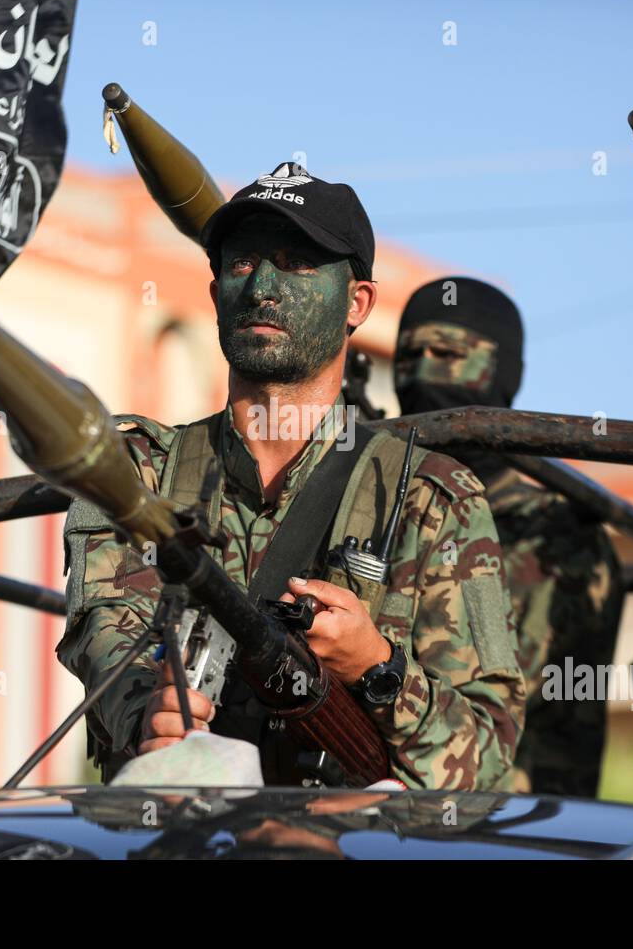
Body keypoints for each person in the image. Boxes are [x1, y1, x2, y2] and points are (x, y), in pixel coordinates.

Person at [57, 163, 525, 790]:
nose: (261, 289)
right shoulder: (137, 470)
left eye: (297, 264)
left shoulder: (432, 498)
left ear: (357, 303)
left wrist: (377, 668)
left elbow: (487, 754)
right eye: (242, 263)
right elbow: (106, 629)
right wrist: (148, 711)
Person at [394, 278, 623, 797]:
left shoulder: (554, 534)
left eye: (446, 352)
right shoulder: (387, 497)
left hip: (512, 811)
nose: (423, 369)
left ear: (497, 370)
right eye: (409, 354)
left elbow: (500, 677)